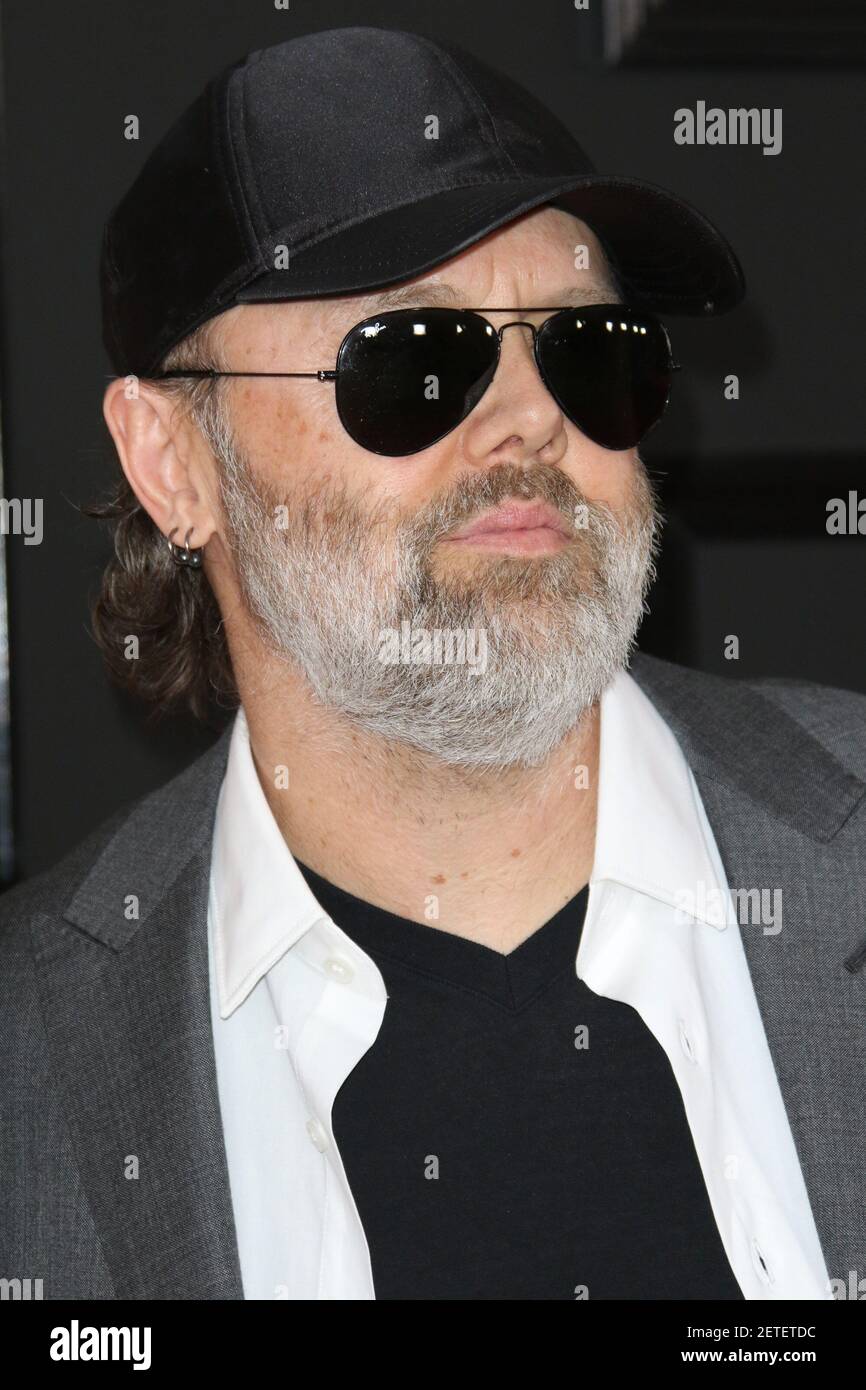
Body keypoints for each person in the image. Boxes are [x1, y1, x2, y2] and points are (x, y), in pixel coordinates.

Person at [2, 25, 863, 1302]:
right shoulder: (33, 1053)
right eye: (412, 361)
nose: (531, 419)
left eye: (587, 350)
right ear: (173, 461)